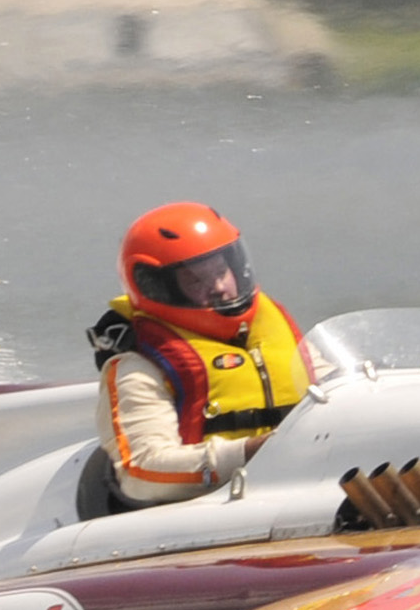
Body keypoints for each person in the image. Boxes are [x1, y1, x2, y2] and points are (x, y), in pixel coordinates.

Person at [93, 200, 309, 504]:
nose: (219, 287)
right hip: (208, 509)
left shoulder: (275, 329)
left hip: (304, 483)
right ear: (157, 286)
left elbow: (339, 392)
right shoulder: (136, 367)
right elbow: (142, 472)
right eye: (196, 280)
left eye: (221, 271)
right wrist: (249, 452)